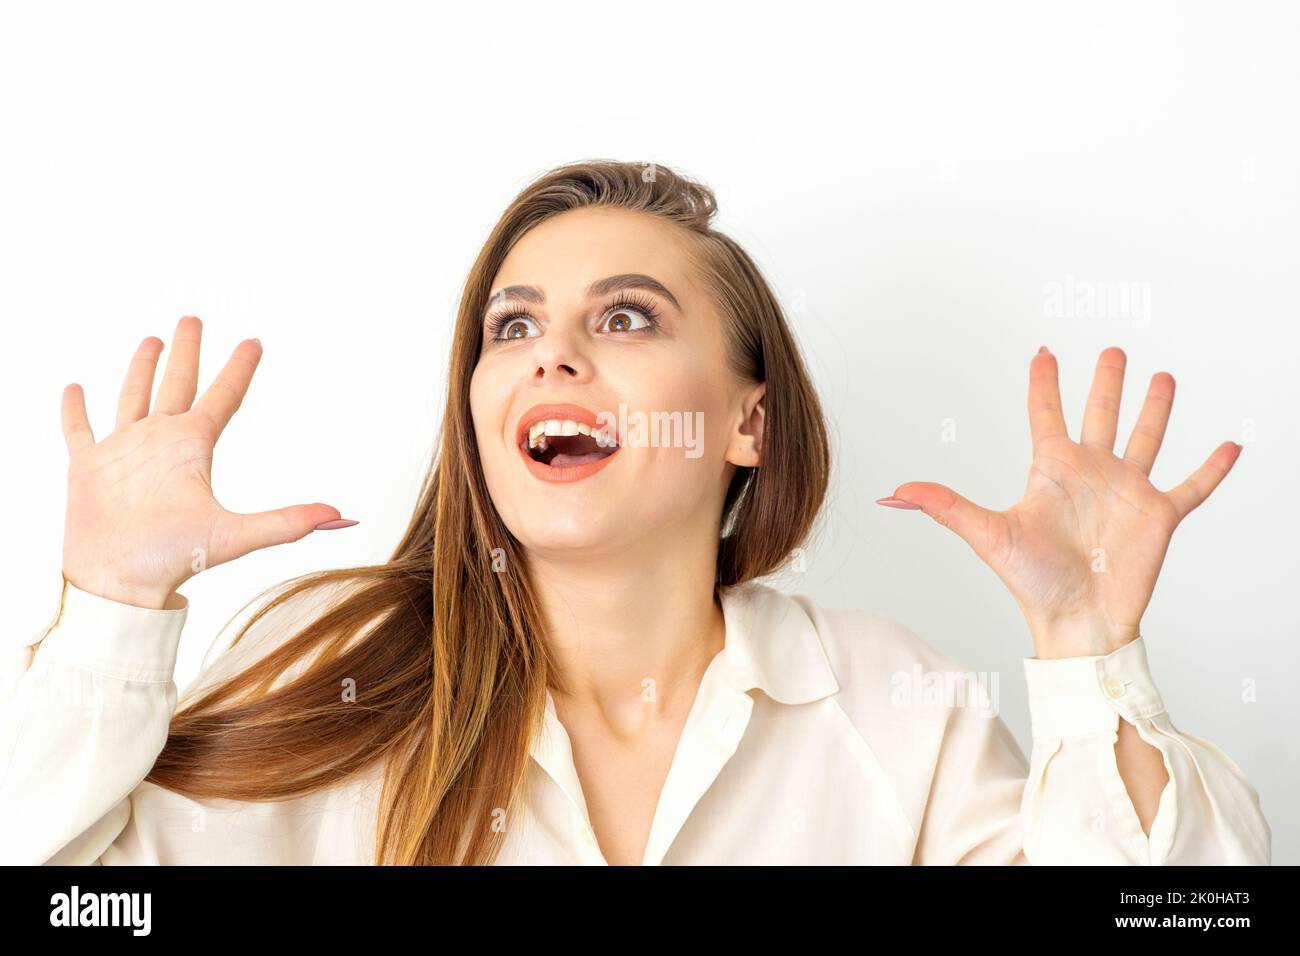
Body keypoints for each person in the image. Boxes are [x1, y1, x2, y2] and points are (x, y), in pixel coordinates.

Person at [0, 160, 1270, 865]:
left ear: (745, 422)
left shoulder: (891, 704)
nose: (551, 355)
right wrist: (109, 608)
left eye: (624, 317)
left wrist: (1086, 651)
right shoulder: (336, 666)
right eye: (512, 326)